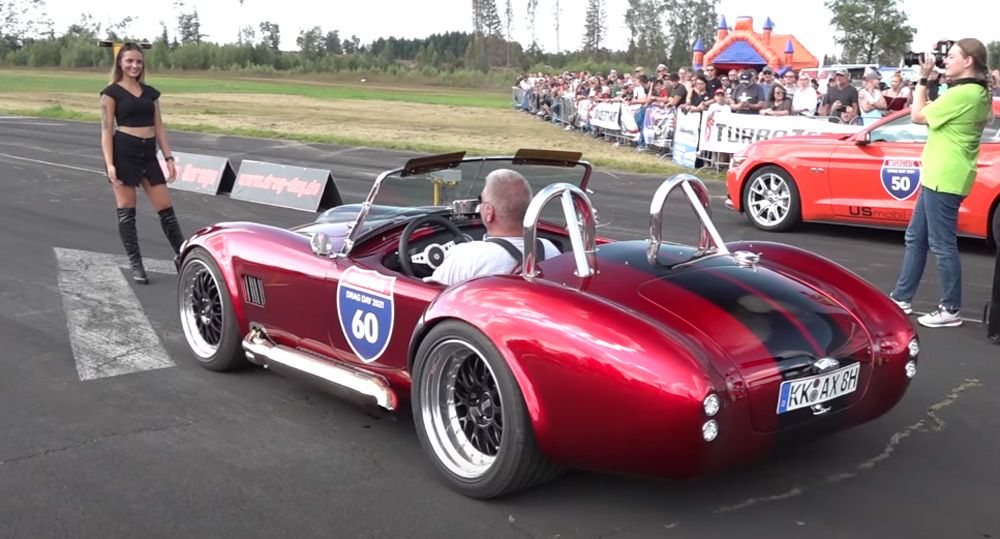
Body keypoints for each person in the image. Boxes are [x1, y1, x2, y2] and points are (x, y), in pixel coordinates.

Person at [889, 38, 993, 328]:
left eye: (952, 56)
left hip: (945, 176)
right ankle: (902, 296)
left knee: (942, 244)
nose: (945, 60)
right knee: (916, 238)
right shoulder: (970, 91)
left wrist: (923, 77)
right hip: (940, 174)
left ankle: (950, 308)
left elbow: (916, 115)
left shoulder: (966, 94)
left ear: (969, 61)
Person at [100, 42, 184, 284]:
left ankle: (182, 256)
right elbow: (106, 131)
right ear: (120, 63)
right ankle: (136, 263)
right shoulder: (110, 93)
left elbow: (159, 127)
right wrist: (110, 164)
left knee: (166, 209)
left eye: (138, 61)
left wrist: (168, 158)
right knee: (127, 212)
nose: (134, 65)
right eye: (129, 61)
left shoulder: (151, 94)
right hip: (123, 152)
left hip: (148, 154)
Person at [428, 169, 561, 286]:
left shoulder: (467, 256)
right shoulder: (551, 250)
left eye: (481, 200)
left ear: (489, 212)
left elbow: (431, 298)